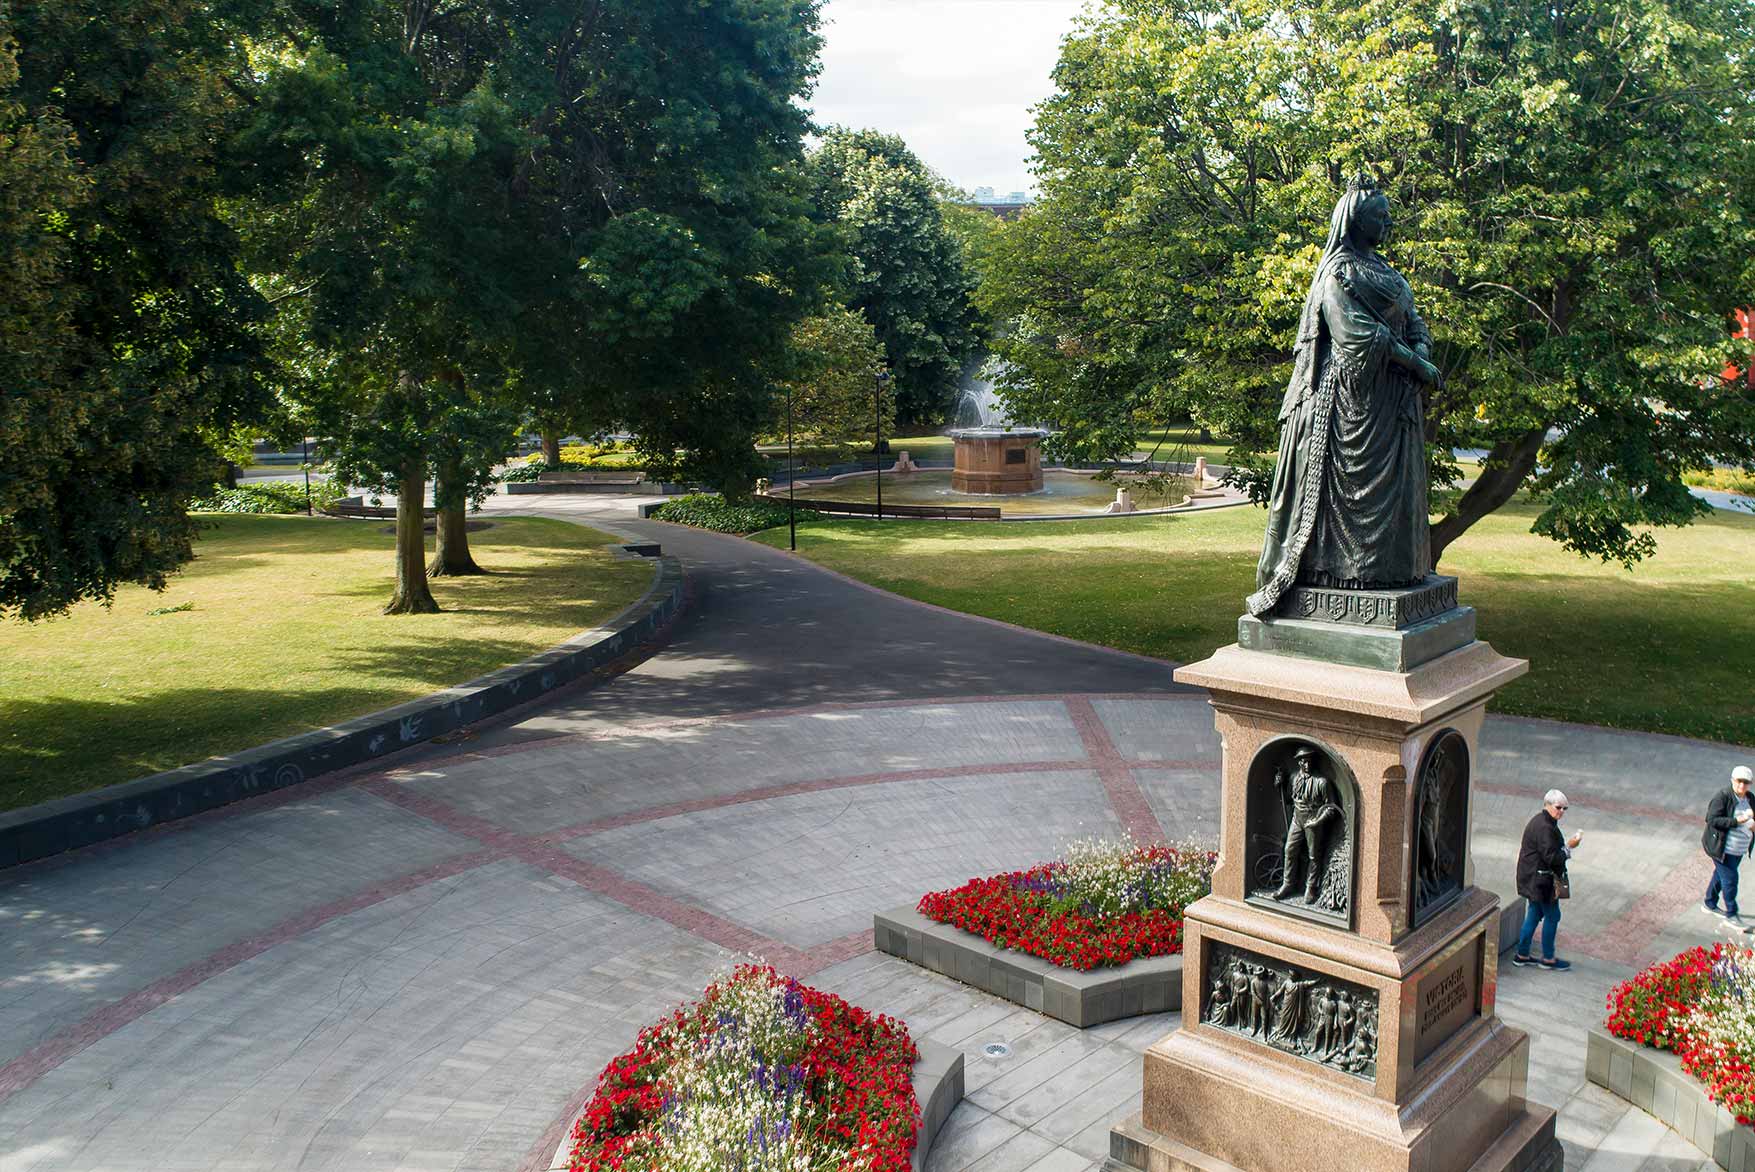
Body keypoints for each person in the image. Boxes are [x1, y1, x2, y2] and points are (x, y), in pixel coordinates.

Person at [1247, 175, 1443, 617]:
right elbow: (1356, 335)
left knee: (1396, 496)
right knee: (1347, 497)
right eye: (1380, 215)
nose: (1388, 222)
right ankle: (1339, 576)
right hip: (1350, 403)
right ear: (1355, 220)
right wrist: (1416, 364)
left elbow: (1414, 321)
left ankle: (1392, 572)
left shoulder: (1389, 273)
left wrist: (1423, 347)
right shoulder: (1337, 273)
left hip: (1394, 407)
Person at [1513, 789, 1581, 970]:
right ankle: (1548, 958)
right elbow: (1552, 858)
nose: (1561, 812)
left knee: (1534, 914)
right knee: (1552, 915)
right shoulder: (1545, 827)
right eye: (1559, 807)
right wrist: (1569, 847)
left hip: (1534, 879)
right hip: (1541, 881)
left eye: (1565, 808)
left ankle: (1522, 954)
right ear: (1548, 805)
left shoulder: (1542, 822)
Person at [1702, 765, 1755, 928]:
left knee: (1720, 875)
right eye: (1739, 781)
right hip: (1722, 848)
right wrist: (1736, 821)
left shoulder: (1750, 798)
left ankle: (1709, 903)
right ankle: (1731, 914)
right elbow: (1712, 819)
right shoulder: (1723, 797)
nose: (1742, 786)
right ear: (1732, 780)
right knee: (1731, 879)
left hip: (1738, 849)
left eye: (1746, 783)